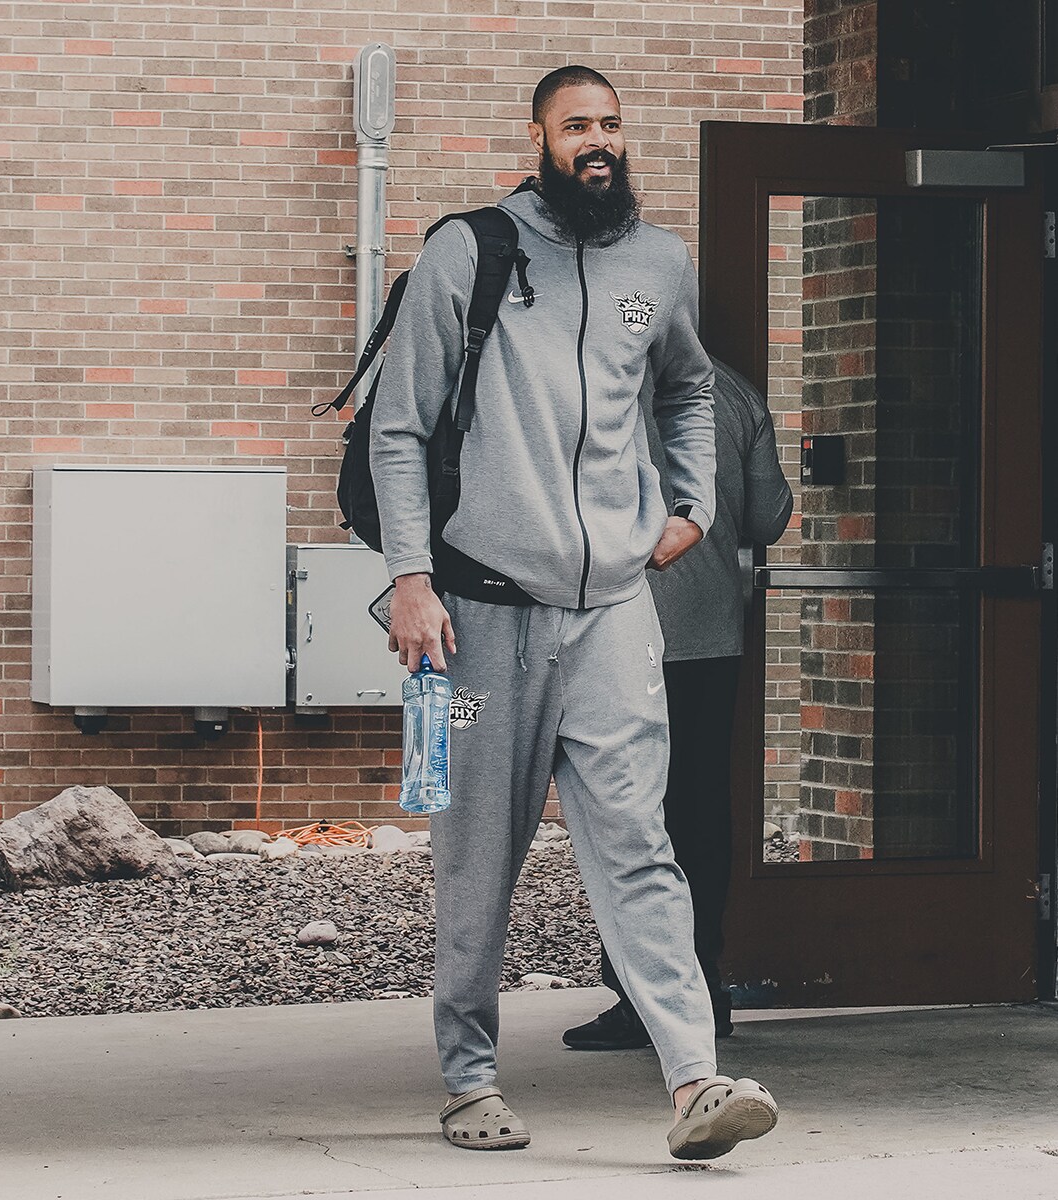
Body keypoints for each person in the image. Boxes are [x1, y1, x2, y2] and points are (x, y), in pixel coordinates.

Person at [370, 65, 779, 1160]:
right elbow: (398, 428)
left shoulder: (658, 260)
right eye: (576, 127)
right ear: (540, 136)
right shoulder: (470, 252)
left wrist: (691, 504)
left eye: (609, 126)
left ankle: (694, 1078)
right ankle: (468, 1082)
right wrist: (411, 577)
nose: (597, 142)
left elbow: (689, 387)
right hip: (477, 616)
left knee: (642, 846)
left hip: (613, 612)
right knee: (477, 858)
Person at [563, 357, 794, 1053]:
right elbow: (768, 517)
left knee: (625, 816)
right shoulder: (738, 393)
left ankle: (642, 998)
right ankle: (702, 987)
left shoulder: (596, 372)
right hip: (709, 637)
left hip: (611, 632)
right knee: (698, 813)